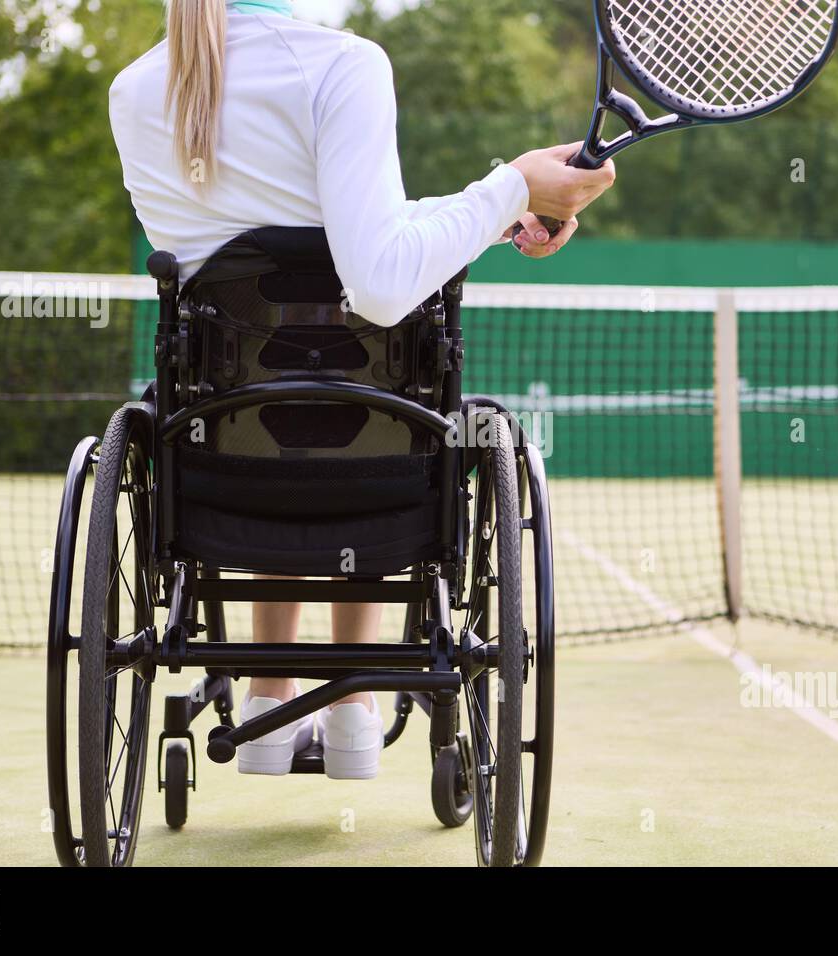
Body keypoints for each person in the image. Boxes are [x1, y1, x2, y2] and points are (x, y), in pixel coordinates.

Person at [109, 0, 615, 778]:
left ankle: (268, 704)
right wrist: (510, 188)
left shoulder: (134, 91)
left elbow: (334, 239)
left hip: (220, 457)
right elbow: (379, 282)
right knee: (347, 378)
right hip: (377, 457)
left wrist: (506, 196)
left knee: (281, 393)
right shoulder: (346, 65)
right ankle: (352, 712)